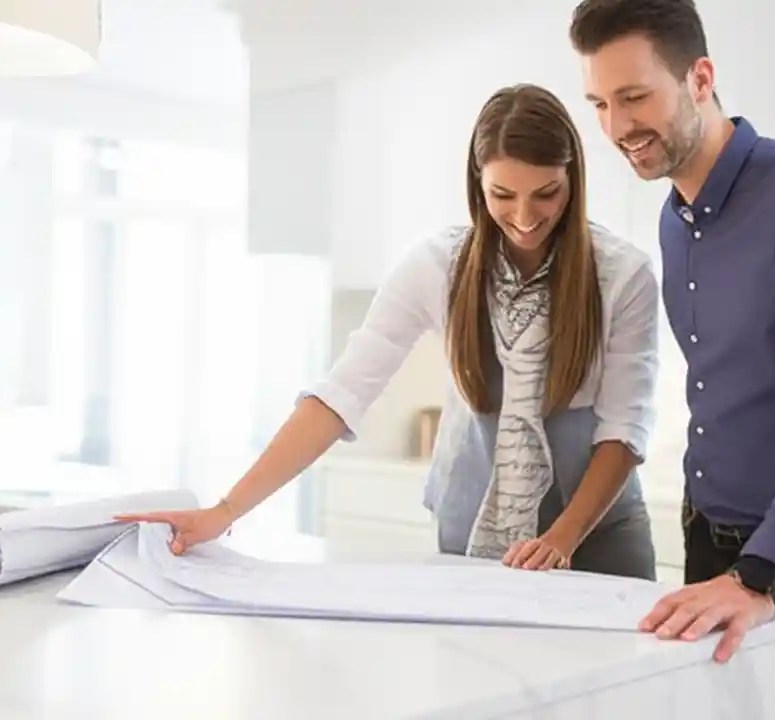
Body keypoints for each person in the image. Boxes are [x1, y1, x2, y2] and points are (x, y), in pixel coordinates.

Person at [117, 83, 662, 579]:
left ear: (574, 180)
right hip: (472, 535)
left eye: (546, 194)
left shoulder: (622, 275)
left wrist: (559, 539)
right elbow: (341, 395)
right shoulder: (437, 265)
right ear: (477, 185)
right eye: (502, 195)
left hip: (595, 541)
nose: (523, 217)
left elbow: (623, 429)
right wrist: (226, 511)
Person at [569, 1, 775, 718]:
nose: (616, 127)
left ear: (700, 78)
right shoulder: (674, 219)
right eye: (600, 102)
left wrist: (760, 573)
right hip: (712, 549)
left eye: (635, 97)